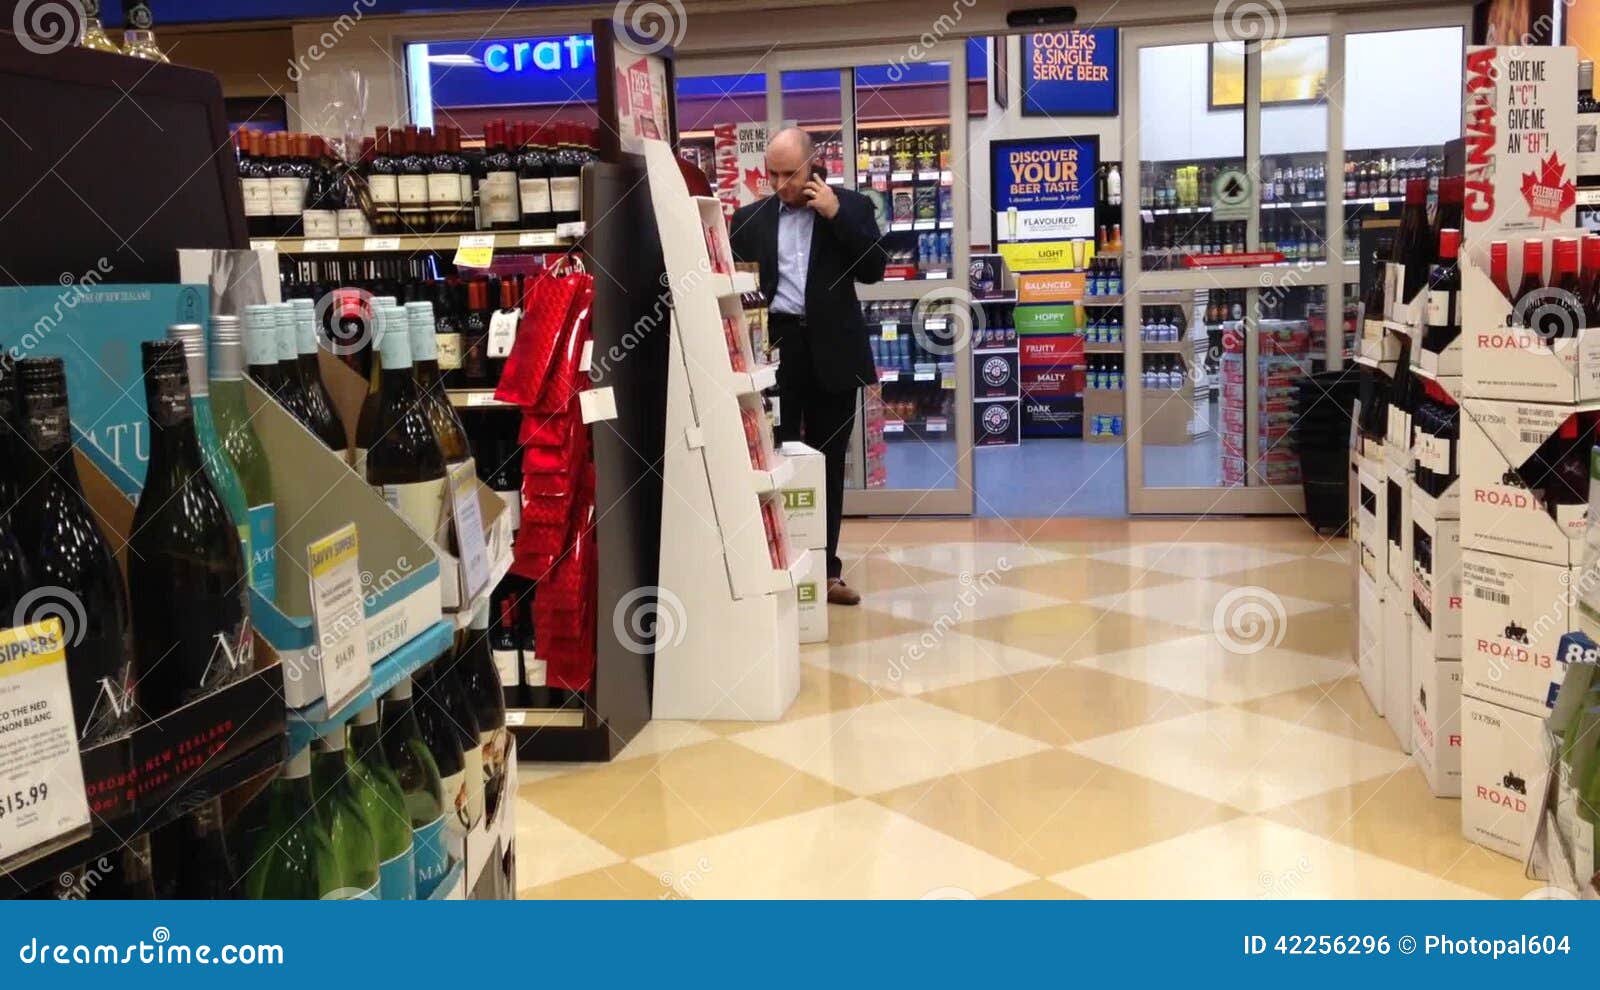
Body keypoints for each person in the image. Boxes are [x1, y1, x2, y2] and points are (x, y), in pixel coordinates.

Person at [730, 127, 887, 606]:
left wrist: (836, 214)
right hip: (775, 350)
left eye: (790, 174)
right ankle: (773, 566)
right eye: (773, 174)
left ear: (813, 165)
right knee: (770, 459)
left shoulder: (851, 207)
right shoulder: (748, 220)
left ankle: (826, 571)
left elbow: (874, 270)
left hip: (833, 351)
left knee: (828, 462)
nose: (781, 185)